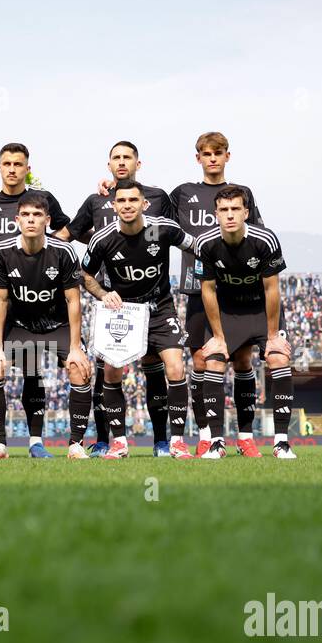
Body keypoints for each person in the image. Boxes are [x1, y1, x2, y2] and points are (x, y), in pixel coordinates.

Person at [66, 140, 175, 455]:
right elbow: (73, 233)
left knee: (155, 370)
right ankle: (106, 440)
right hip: (112, 301)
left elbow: (168, 235)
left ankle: (162, 441)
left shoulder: (157, 197)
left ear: (138, 164)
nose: (122, 161)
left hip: (152, 300)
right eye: (116, 157)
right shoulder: (95, 200)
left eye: (128, 157)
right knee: (107, 370)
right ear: (108, 164)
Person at [79, 178, 195, 459]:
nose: (127, 205)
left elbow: (197, 247)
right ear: (114, 204)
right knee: (111, 372)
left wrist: (201, 278)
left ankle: (177, 442)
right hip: (123, 314)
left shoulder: (161, 228)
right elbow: (84, 275)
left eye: (133, 200)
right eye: (122, 200)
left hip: (159, 310)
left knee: (176, 368)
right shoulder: (103, 238)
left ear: (144, 204)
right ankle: (119, 443)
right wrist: (103, 293)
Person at [0, 191, 93, 459]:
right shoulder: (2, 250)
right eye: (26, 215)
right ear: (17, 219)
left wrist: (76, 347)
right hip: (20, 324)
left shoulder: (63, 251)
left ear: (47, 220)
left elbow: (72, 300)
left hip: (57, 324)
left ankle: (76, 445)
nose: (31, 220)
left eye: (37, 215)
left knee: (79, 368)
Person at [169, 131, 263, 455]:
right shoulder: (182, 193)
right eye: (206, 153)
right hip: (197, 286)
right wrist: (116, 190)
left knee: (241, 359)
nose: (212, 158)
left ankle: (246, 437)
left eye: (218, 153)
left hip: (236, 290)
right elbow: (154, 221)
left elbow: (258, 233)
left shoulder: (241, 194)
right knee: (201, 360)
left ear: (227, 156)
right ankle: (208, 435)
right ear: (198, 158)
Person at [195, 185, 297, 459]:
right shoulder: (204, 244)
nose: (230, 215)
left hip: (261, 310)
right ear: (215, 213)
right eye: (224, 210)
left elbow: (272, 290)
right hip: (227, 311)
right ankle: (217, 442)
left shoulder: (265, 240)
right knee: (213, 360)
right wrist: (217, 335)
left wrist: (273, 335)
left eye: (236, 209)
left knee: (278, 358)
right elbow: (208, 290)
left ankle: (281, 442)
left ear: (246, 212)